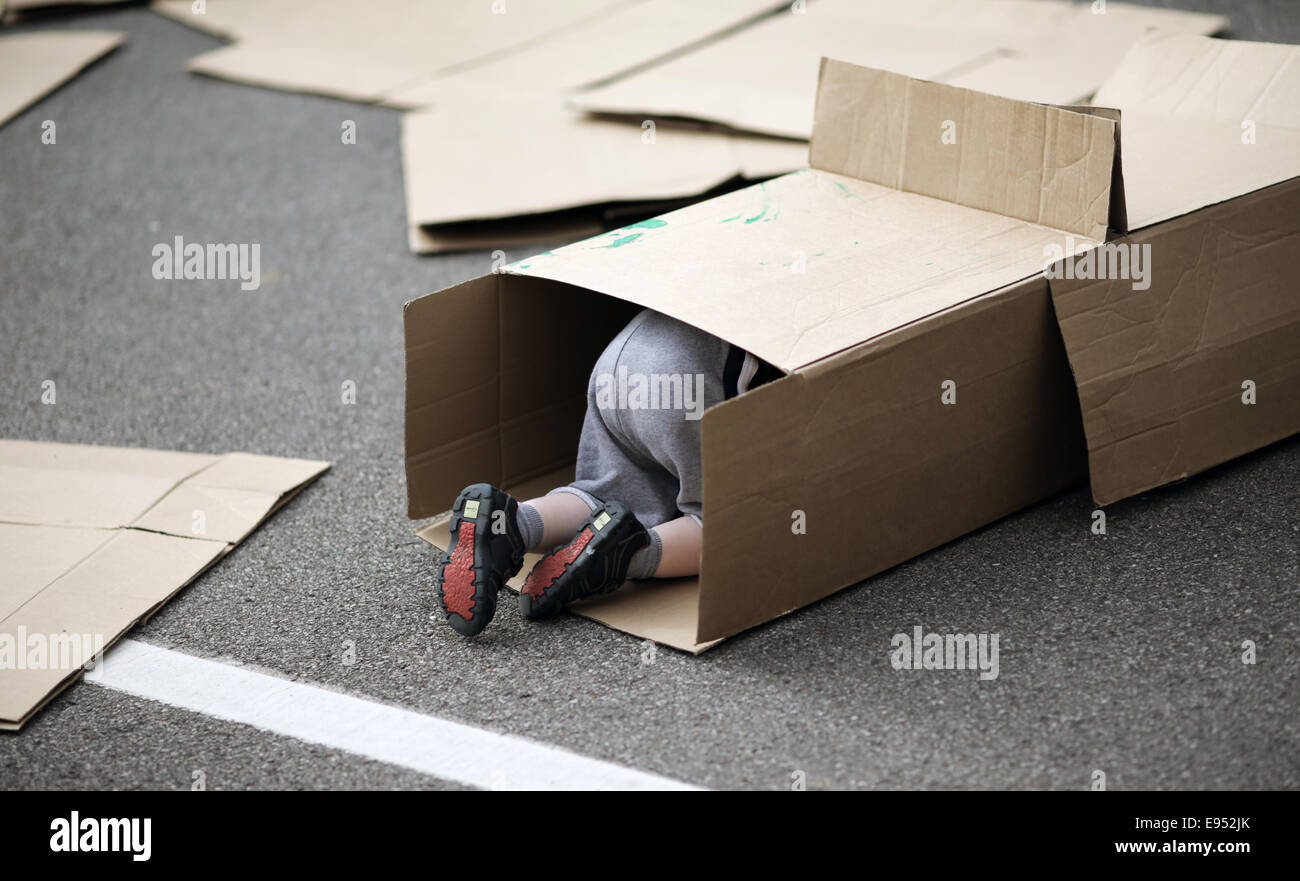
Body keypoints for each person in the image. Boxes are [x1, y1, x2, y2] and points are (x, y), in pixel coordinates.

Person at [433, 308, 780, 636]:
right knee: (724, 521)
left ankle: (514, 524)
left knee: (600, 490)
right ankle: (626, 554)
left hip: (621, 360)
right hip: (685, 380)